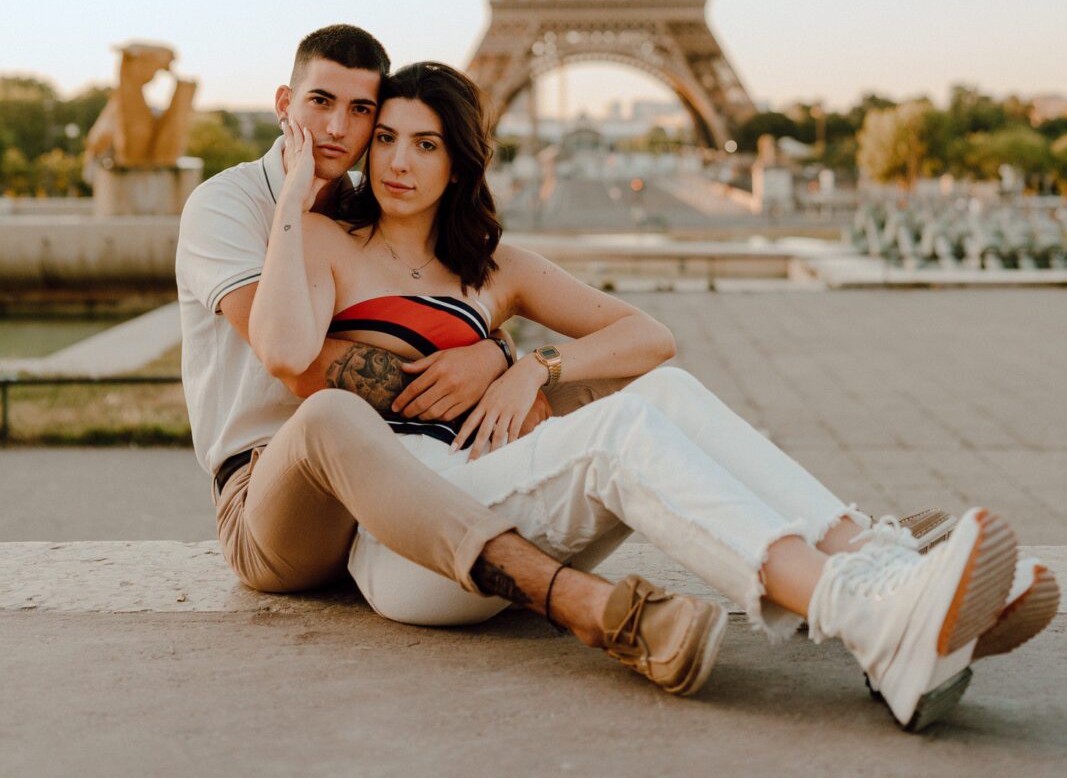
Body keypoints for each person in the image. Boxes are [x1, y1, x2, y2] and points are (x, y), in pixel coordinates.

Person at [249, 60, 1059, 731]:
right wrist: (293, 194)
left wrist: (533, 366)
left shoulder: (493, 269)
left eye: (424, 144)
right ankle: (869, 615)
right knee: (619, 432)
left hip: (502, 497)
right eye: (384, 139)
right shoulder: (327, 242)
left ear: (458, 159)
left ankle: (880, 571)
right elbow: (286, 351)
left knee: (661, 390)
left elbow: (649, 337)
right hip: (411, 542)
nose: (397, 161)